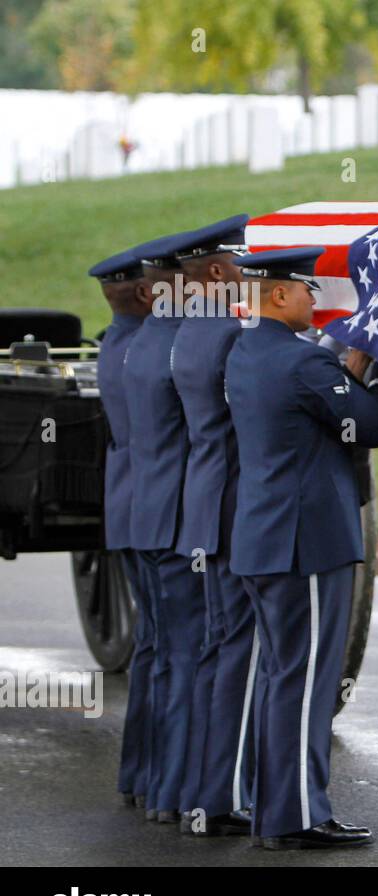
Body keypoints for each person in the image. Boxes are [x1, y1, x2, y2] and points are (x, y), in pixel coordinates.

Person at [225, 247, 378, 849]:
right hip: (307, 544)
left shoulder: (244, 353)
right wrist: (373, 367)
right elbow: (373, 425)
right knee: (305, 685)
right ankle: (298, 816)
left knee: (281, 677)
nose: (314, 300)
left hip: (263, 538)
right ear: (278, 294)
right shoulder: (302, 364)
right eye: (305, 289)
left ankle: (278, 811)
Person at [169, 215, 258, 838]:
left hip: (202, 504)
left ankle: (192, 792)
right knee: (237, 653)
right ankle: (220, 798)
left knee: (212, 650)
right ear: (223, 272)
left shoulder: (187, 332)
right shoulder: (233, 335)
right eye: (248, 267)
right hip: (230, 510)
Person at [123, 231, 207, 824]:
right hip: (179, 518)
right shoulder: (184, 346)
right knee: (186, 654)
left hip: (146, 511)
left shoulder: (139, 341)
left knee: (158, 654)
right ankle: (176, 791)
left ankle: (146, 778)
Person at [89, 246, 156, 810]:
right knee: (174, 650)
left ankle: (144, 775)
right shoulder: (151, 349)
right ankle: (169, 779)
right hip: (159, 517)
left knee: (157, 651)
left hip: (131, 513)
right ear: (142, 293)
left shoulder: (119, 343)